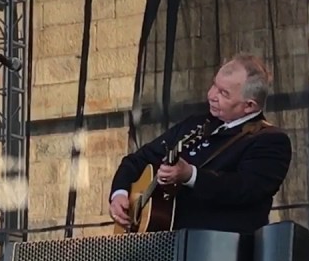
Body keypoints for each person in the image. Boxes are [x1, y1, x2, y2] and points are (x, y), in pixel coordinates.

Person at [109, 53, 292, 235]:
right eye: (214, 85)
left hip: (218, 250)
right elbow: (138, 159)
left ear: (249, 106)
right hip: (163, 248)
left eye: (224, 93)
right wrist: (120, 194)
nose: (211, 95)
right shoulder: (195, 124)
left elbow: (243, 189)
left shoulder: (270, 141)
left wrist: (190, 175)